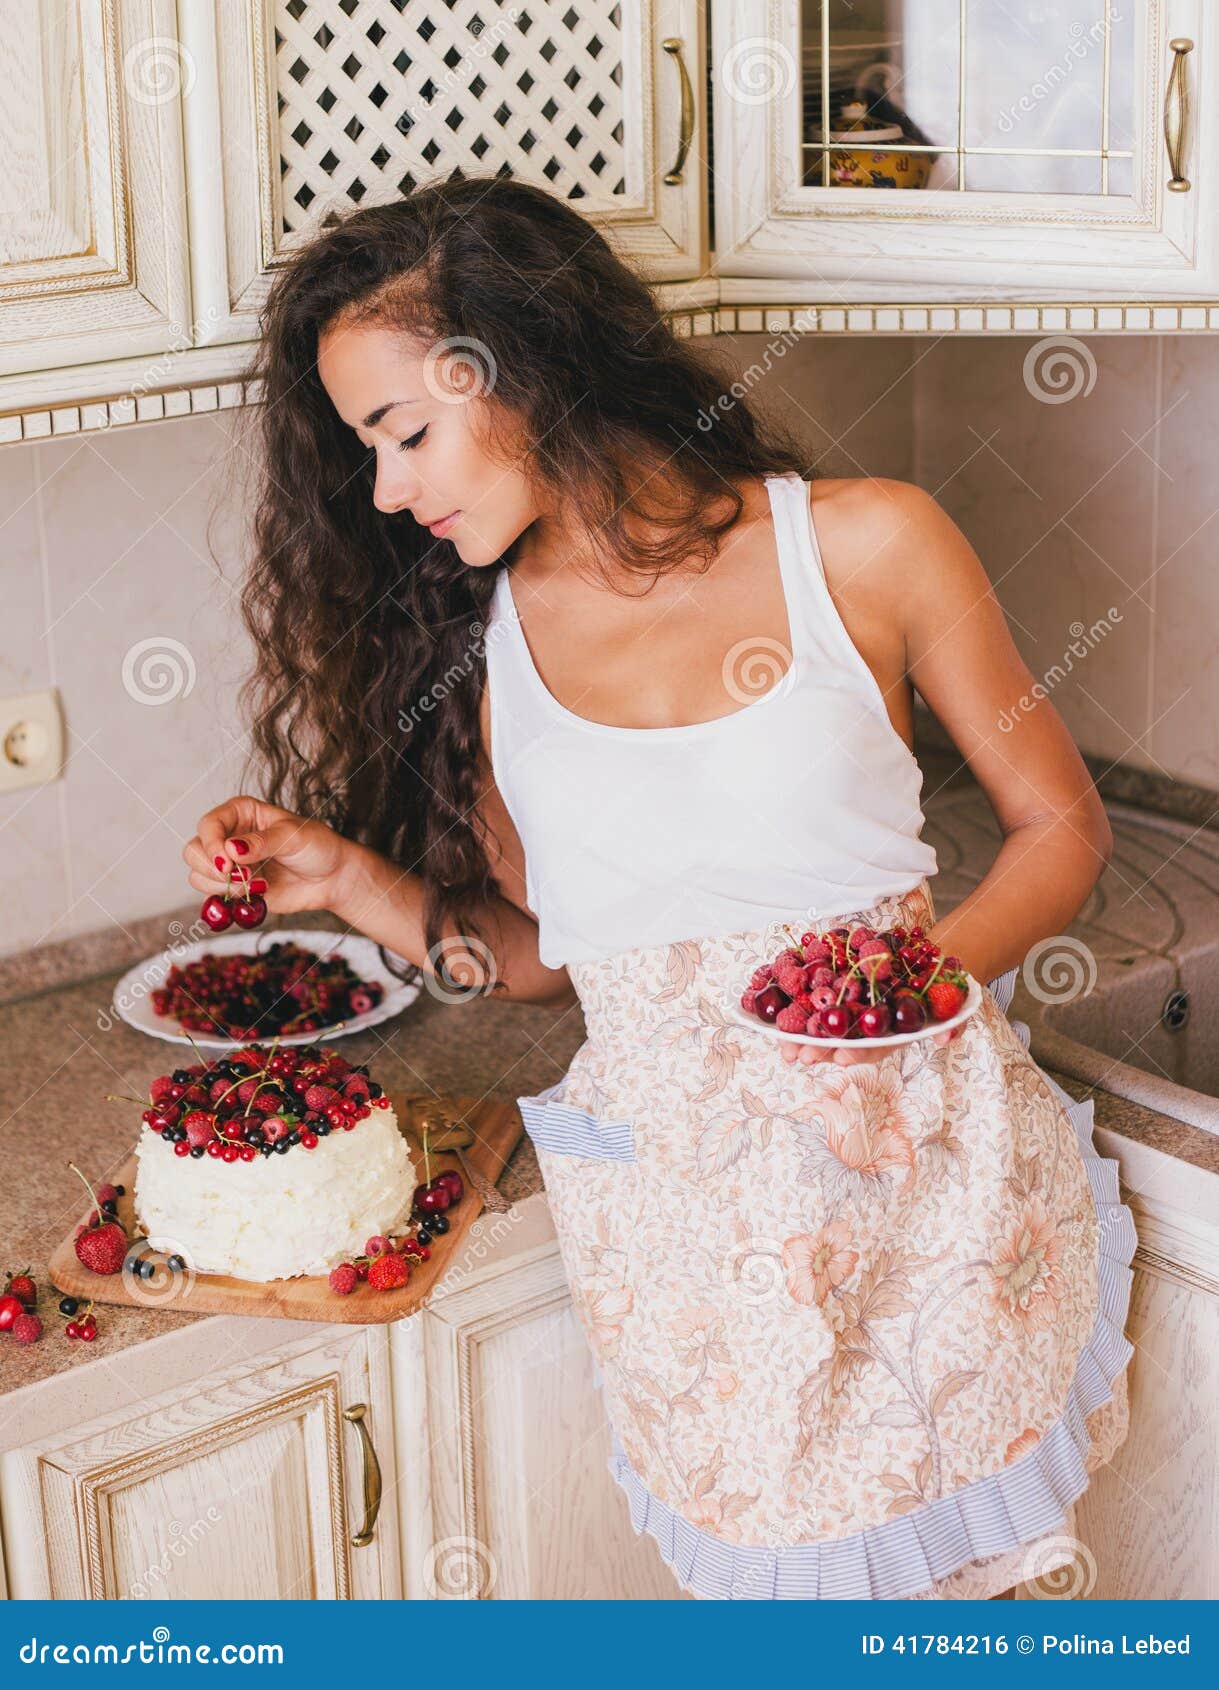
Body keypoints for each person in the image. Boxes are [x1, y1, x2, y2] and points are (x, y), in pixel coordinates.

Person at [183, 176, 1135, 1601]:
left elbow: (1060, 824)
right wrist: (346, 878)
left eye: (404, 433)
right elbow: (548, 957)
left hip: (940, 1213)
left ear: (523, 367)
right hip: (710, 1279)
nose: (387, 489)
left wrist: (921, 982)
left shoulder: (865, 547)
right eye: (369, 452)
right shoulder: (487, 658)